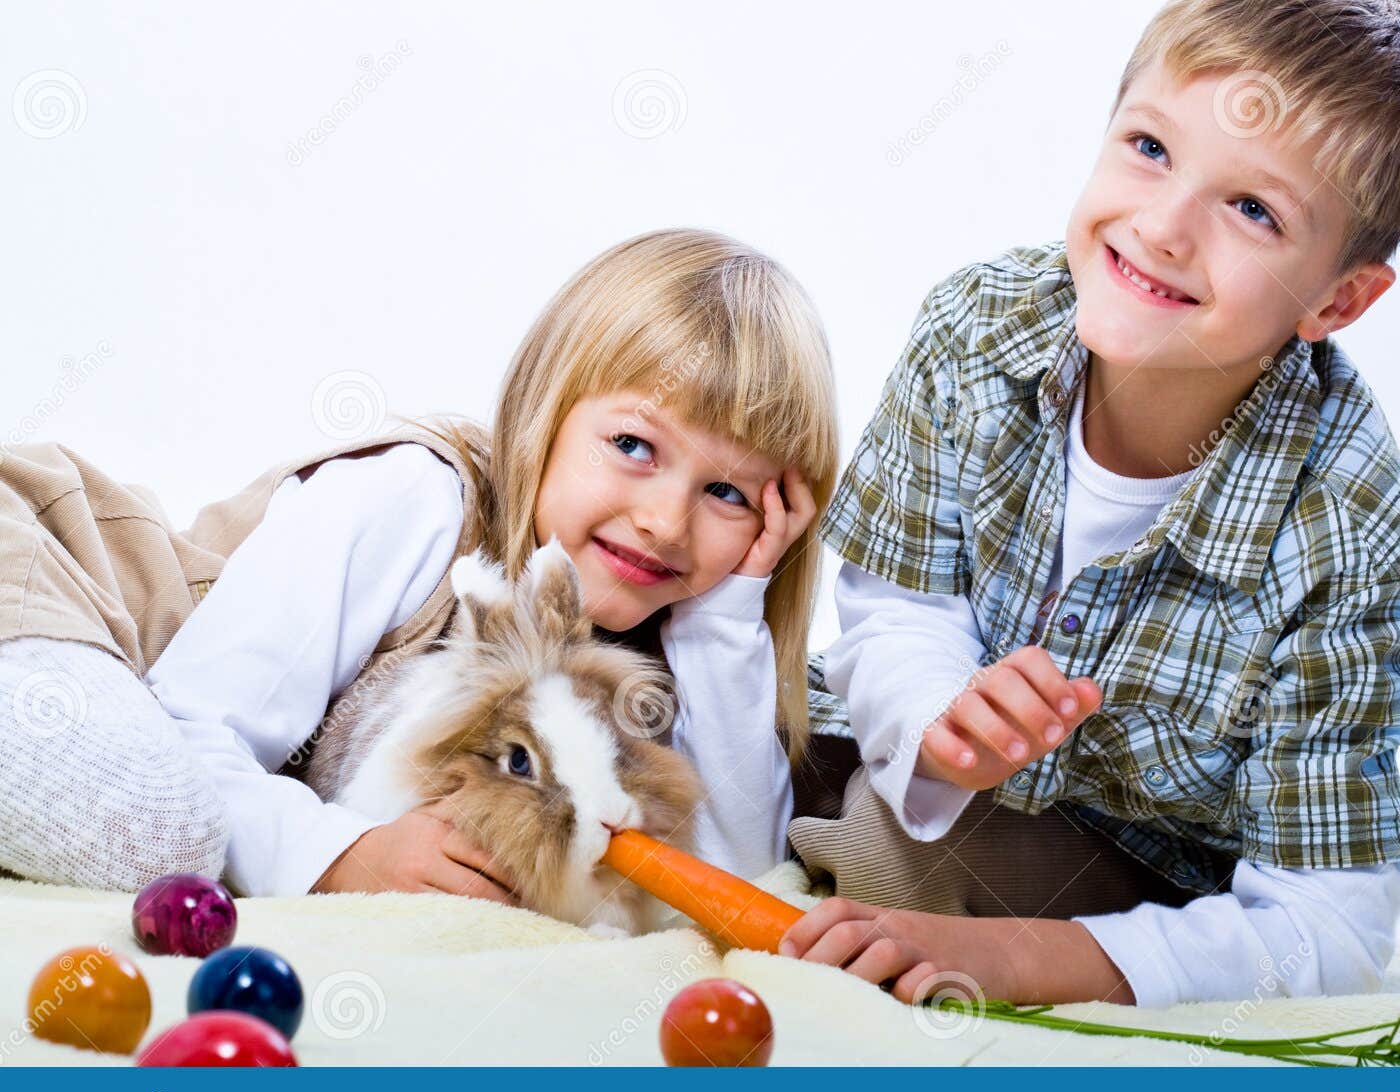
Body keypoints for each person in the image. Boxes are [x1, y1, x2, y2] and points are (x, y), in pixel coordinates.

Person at [782, 0, 1400, 1009]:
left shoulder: (1351, 540)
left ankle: (836, 864)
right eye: (1149, 147)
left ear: (1336, 301)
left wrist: (1024, 961)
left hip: (1149, 864)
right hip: (934, 773)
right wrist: (939, 722)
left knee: (896, 853)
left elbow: (1329, 920)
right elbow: (896, 611)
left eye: (1252, 211)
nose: (1160, 227)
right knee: (724, 703)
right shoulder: (977, 329)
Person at [0, 227, 838, 902]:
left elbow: (734, 878)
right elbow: (193, 726)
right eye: (632, 445)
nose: (664, 522)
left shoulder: (662, 638)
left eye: (727, 491)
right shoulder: (418, 500)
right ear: (546, 409)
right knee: (156, 828)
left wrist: (728, 620)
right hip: (54, 584)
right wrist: (341, 855)